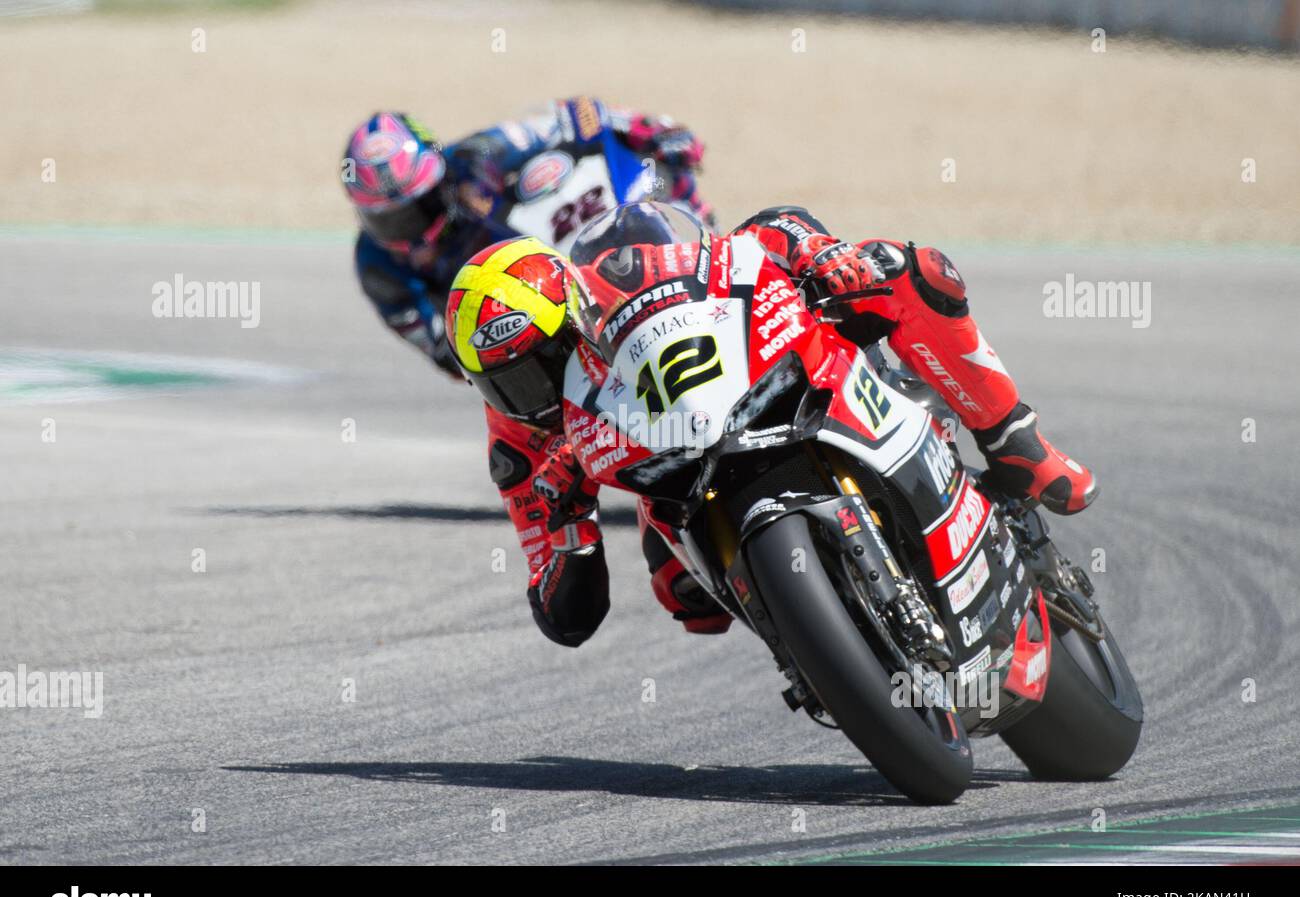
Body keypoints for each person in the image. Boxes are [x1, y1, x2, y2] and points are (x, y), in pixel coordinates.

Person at [445, 203, 1097, 647]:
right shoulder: (518, 444)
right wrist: (568, 536)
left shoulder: (618, 275)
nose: (532, 392)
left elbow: (759, 235)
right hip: (677, 472)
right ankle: (826, 649)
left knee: (910, 271)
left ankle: (1020, 446)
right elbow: (567, 617)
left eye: (545, 360)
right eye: (506, 382)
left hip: (757, 378)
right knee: (682, 595)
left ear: (577, 313)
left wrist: (819, 254)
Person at [340, 100, 712, 378]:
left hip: (562, 261)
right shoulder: (378, 266)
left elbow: (579, 114)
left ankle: (701, 252)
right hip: (528, 344)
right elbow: (446, 355)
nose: (411, 232)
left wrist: (646, 130)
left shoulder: (477, 155)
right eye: (386, 220)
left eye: (416, 209)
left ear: (438, 177)